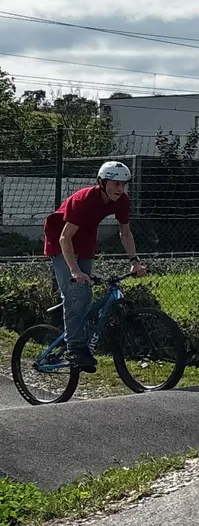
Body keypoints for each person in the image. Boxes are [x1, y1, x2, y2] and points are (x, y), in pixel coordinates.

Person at [42, 160, 146, 373]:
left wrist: (134, 261)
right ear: (102, 183)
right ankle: (74, 348)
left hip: (85, 241)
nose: (120, 189)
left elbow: (125, 232)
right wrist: (74, 271)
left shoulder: (122, 201)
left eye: (124, 184)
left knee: (86, 296)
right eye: (115, 184)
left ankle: (79, 337)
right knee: (77, 292)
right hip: (60, 240)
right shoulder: (84, 199)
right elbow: (64, 238)